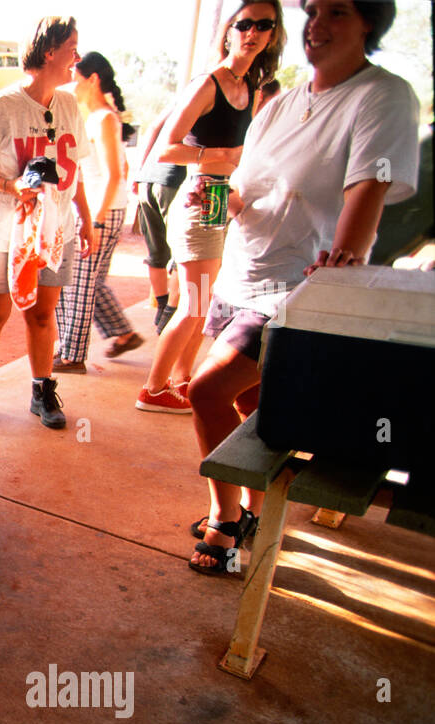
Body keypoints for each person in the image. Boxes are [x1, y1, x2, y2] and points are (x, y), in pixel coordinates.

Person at [187, 0, 418, 574]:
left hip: (298, 290)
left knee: (206, 391)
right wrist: (216, 200)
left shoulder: (381, 96)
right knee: (253, 408)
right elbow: (247, 192)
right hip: (241, 272)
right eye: (312, 10)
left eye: (337, 12)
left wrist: (343, 267)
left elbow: (368, 188)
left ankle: (226, 517)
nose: (316, 24)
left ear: (370, 21)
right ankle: (263, 517)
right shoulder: (279, 104)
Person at [135, 1, 285, 414]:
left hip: (221, 199)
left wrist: (238, 195)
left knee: (204, 299)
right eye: (244, 24)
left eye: (263, 26)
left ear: (273, 34)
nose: (252, 33)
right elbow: (166, 147)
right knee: (195, 302)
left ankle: (181, 381)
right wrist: (219, 155)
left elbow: (245, 157)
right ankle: (153, 388)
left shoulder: (252, 87)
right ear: (228, 30)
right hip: (198, 198)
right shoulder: (209, 84)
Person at [0, 16, 93, 429]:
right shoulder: (3, 105)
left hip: (54, 230)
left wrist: (85, 219)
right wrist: (9, 184)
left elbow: (77, 171)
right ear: (49, 51)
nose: (78, 56)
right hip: (3, 231)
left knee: (41, 315)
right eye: (72, 47)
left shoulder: (70, 105)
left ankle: (42, 390)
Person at [53, 52, 143, 373]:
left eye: (76, 77)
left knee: (77, 283)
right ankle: (125, 333)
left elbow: (115, 173)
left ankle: (71, 355)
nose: (71, 84)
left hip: (100, 212)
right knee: (93, 280)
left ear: (92, 79)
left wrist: (99, 219)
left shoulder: (104, 119)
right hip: (98, 210)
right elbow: (124, 167)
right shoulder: (97, 118)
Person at [131, 108, 185, 335]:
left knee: (157, 252)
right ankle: (171, 312)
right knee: (183, 253)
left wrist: (139, 172)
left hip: (148, 179)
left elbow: (153, 128)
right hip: (174, 180)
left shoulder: (179, 103)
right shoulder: (211, 99)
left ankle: (162, 306)